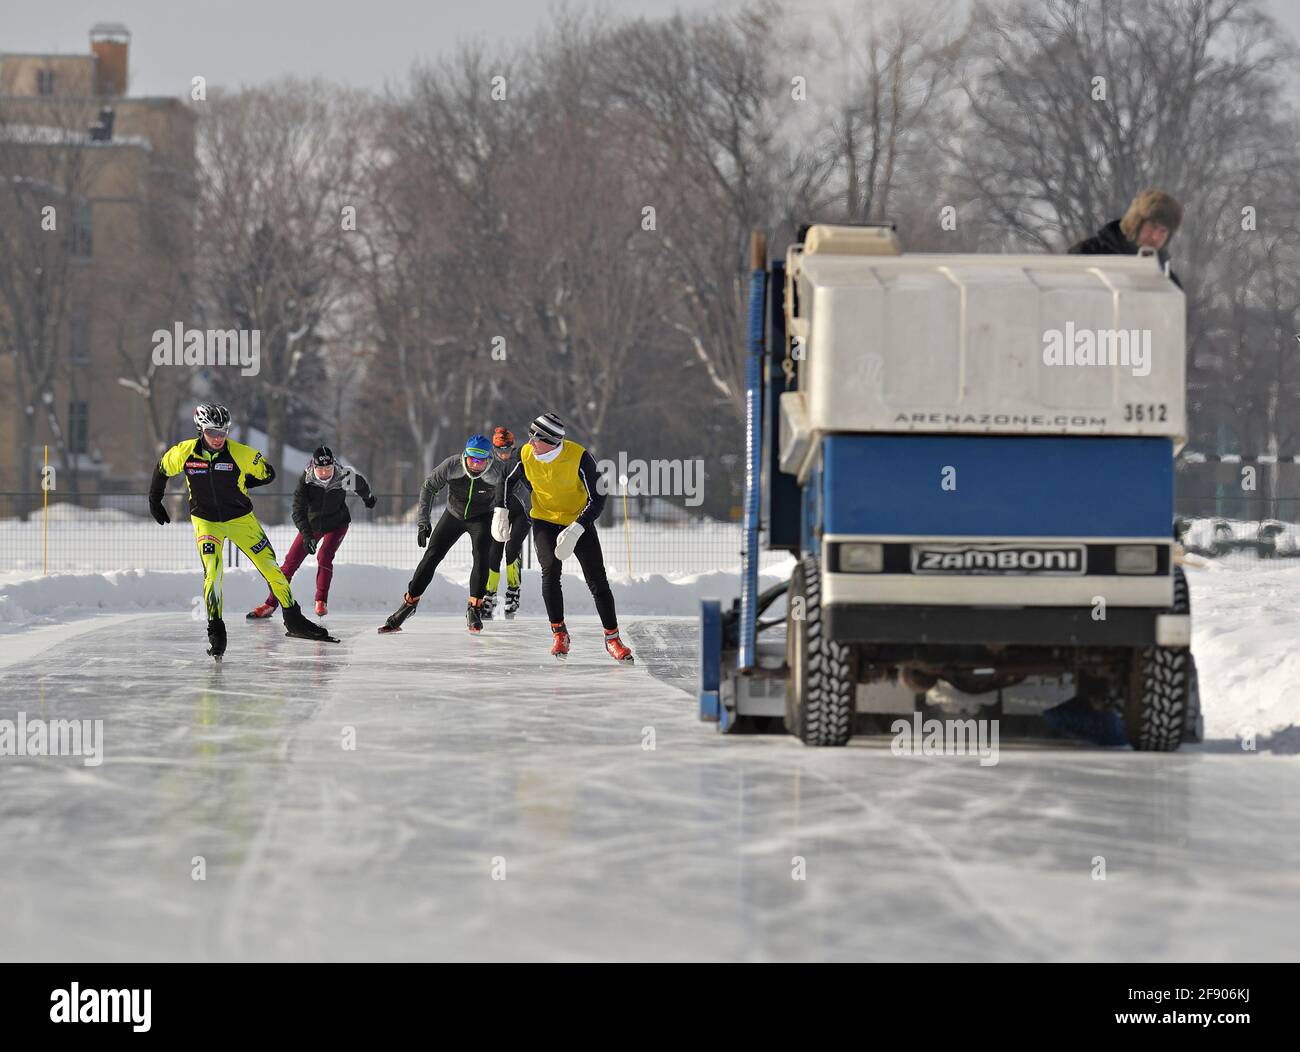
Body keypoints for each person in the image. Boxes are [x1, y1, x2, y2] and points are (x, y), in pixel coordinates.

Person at [148, 403, 333, 658]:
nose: (218, 438)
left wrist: (243, 481)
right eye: (213, 432)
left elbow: (268, 474)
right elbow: (161, 469)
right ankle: (216, 630)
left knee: (271, 568)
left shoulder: (241, 453)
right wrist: (154, 499)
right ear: (200, 429)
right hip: (206, 521)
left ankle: (293, 618)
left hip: (241, 519)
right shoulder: (185, 452)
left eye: (223, 432)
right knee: (213, 573)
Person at [494, 412, 633, 662]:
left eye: (535, 437)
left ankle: (613, 638)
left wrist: (578, 526)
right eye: (529, 435)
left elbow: (599, 497)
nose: (530, 442)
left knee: (597, 580)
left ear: (550, 440)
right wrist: (500, 511)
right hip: (544, 521)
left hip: (578, 521)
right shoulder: (525, 454)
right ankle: (559, 634)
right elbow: (506, 478)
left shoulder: (578, 457)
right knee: (550, 573)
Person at [378, 433, 507, 635]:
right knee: (431, 556)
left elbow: (514, 492)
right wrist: (423, 522)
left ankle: (474, 608)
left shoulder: (498, 472)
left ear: (489, 460)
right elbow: (428, 487)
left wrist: (505, 518)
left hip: (482, 517)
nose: (475, 465)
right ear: (464, 456)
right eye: (472, 459)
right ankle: (409, 604)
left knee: (482, 559)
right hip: (453, 514)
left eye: (480, 461)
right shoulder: (452, 465)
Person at [247, 446, 375, 619]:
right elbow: (297, 510)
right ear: (313, 467)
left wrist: (368, 499)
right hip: (312, 525)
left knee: (324, 556)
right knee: (290, 563)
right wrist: (307, 536)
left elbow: (361, 485)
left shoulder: (343, 476)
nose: (324, 473)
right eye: (320, 469)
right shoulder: (306, 480)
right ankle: (270, 604)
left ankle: (321, 600)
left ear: (334, 466)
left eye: (328, 469)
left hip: (337, 524)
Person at [1069, 188, 1184, 288]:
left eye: (1163, 231)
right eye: (1152, 226)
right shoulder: (1087, 253)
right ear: (1136, 223)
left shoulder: (1169, 283)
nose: (1155, 237)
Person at [479, 427, 531, 620]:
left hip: (523, 510)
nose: (504, 454)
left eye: (507, 449)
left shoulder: (520, 458)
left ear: (513, 446)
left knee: (512, 548)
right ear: (493, 449)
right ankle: (489, 594)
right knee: (494, 551)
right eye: (499, 450)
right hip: (500, 511)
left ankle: (513, 591)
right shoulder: (489, 464)